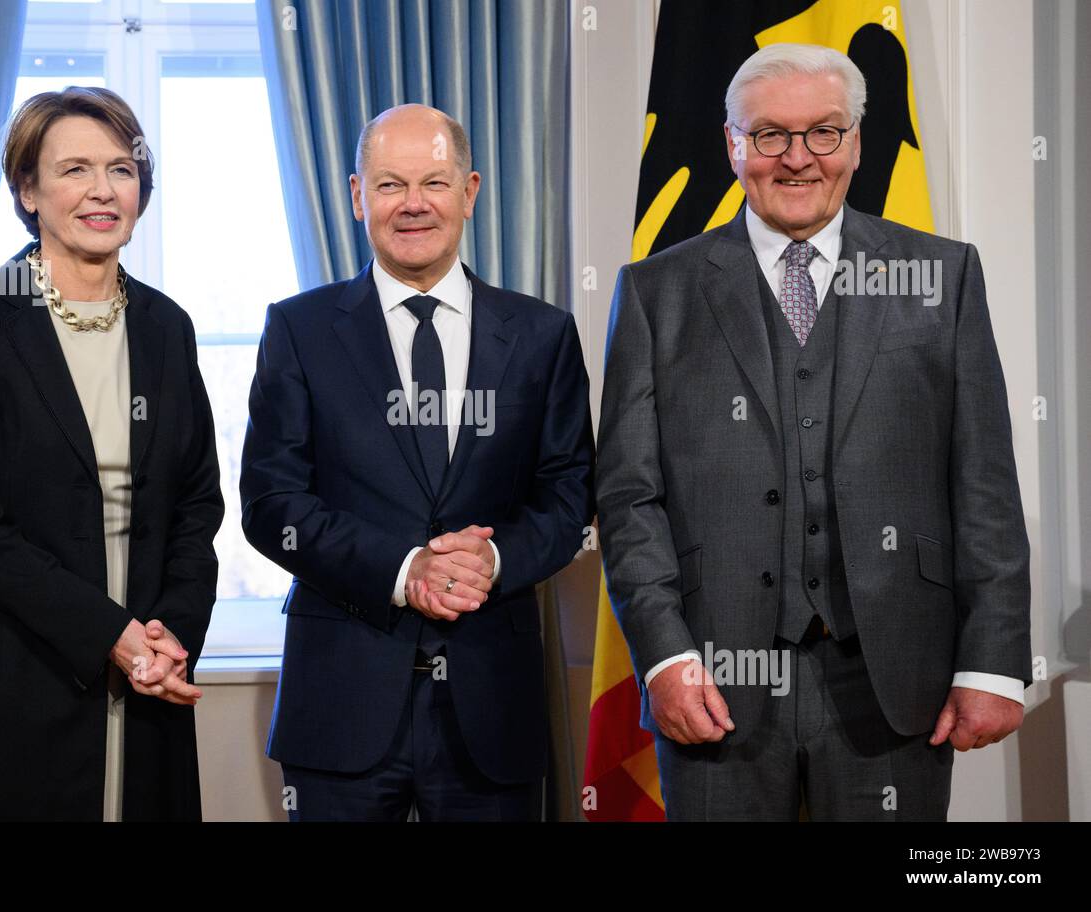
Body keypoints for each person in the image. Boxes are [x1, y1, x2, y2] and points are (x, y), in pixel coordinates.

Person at [597, 43, 1030, 821]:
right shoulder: (655, 292)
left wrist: (994, 665)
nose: (797, 159)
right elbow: (629, 498)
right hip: (712, 678)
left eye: (823, 133)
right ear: (733, 144)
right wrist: (663, 657)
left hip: (896, 679)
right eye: (769, 135)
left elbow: (985, 481)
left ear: (857, 143)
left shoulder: (942, 275)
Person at [240, 103, 595, 821]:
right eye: (390, 184)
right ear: (356, 196)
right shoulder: (299, 329)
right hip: (341, 700)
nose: (412, 205)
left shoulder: (542, 334)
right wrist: (406, 571)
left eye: (433, 183)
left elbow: (568, 498)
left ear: (469, 191)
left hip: (494, 701)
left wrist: (487, 566)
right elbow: (272, 505)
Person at [0, 87, 224, 821]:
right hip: (11, 667)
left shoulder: (166, 326)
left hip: (149, 675)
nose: (102, 190)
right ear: (28, 188)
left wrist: (172, 632)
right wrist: (105, 634)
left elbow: (197, 504)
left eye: (121, 168)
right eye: (75, 169)